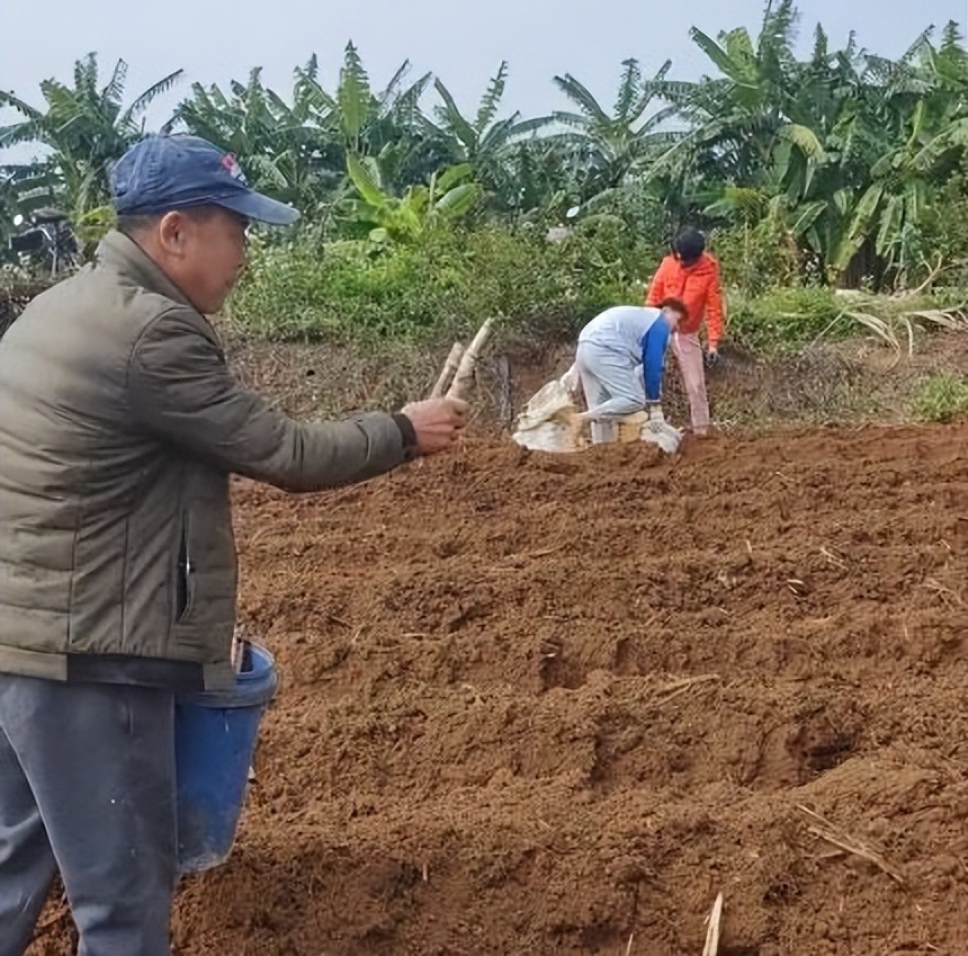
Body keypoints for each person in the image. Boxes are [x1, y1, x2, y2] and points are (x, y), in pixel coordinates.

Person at [0, 135, 467, 956]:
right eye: (238, 231)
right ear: (175, 232)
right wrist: (403, 430)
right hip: (93, 656)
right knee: (122, 905)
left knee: (11, 870)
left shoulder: (60, 306)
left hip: (22, 640)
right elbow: (283, 451)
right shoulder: (151, 335)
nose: (245, 253)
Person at [645, 227, 724, 436]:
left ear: (695, 258)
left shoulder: (709, 272)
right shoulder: (668, 263)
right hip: (659, 326)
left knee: (696, 385)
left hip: (686, 332)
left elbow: (714, 308)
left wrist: (713, 342)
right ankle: (639, 425)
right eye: (676, 256)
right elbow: (653, 297)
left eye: (684, 260)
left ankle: (701, 431)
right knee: (640, 373)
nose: (679, 262)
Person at [573, 300, 688, 443]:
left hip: (585, 348)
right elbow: (652, 365)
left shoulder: (641, 320)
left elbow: (640, 372)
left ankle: (601, 453)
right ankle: (582, 418)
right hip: (605, 350)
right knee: (634, 399)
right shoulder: (660, 323)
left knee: (603, 408)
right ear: (665, 310)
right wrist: (655, 406)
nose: (677, 327)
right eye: (677, 320)